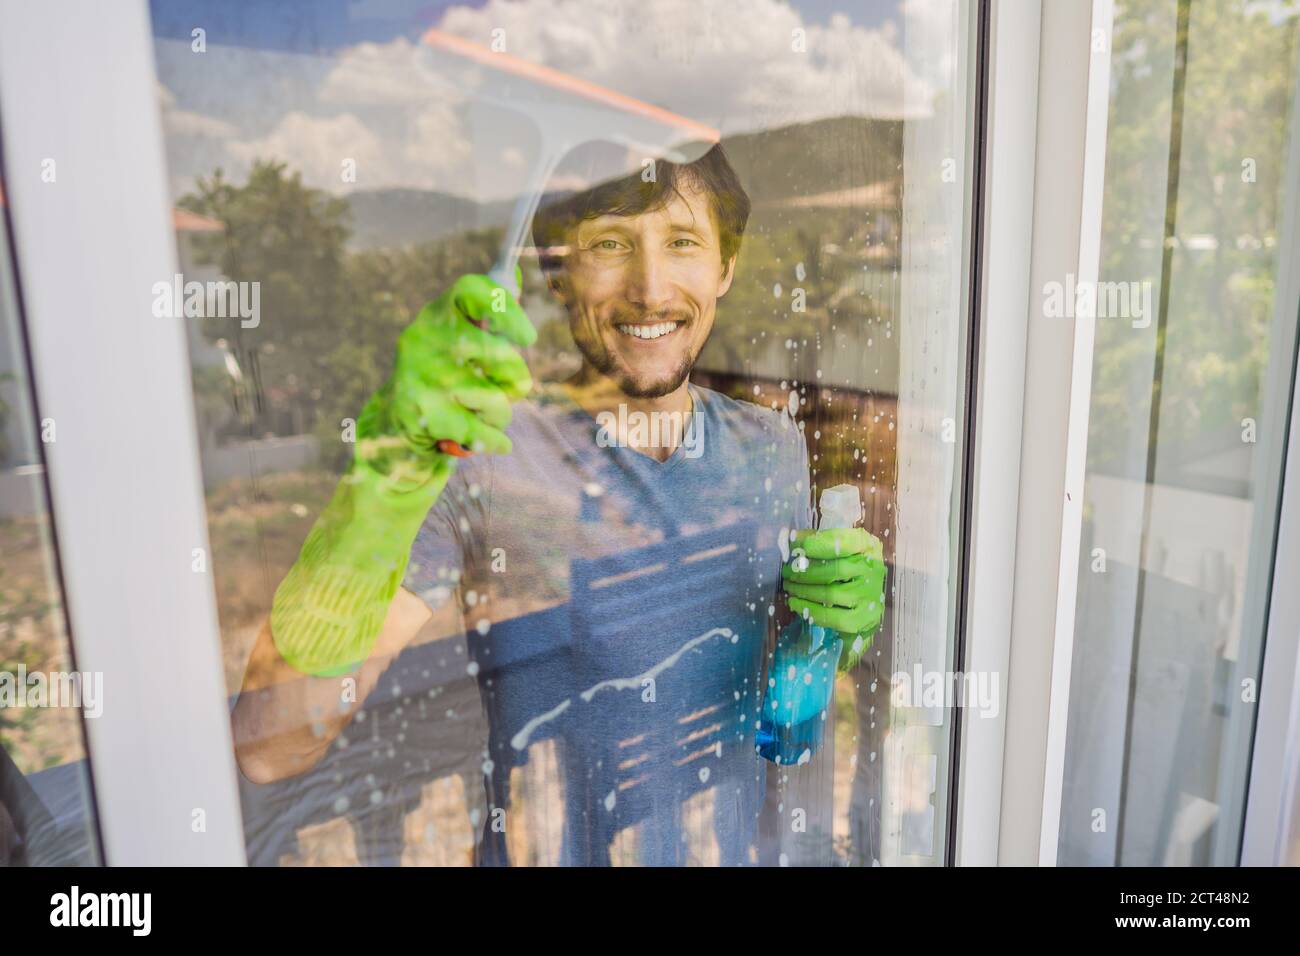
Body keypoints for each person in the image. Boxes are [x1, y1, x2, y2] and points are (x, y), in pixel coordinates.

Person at [231, 141, 885, 866]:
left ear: (724, 267)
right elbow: (273, 740)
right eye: (609, 243)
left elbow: (782, 682)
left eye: (683, 242)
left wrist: (835, 630)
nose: (650, 288)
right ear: (560, 271)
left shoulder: (773, 447)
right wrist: (383, 481)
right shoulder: (478, 451)